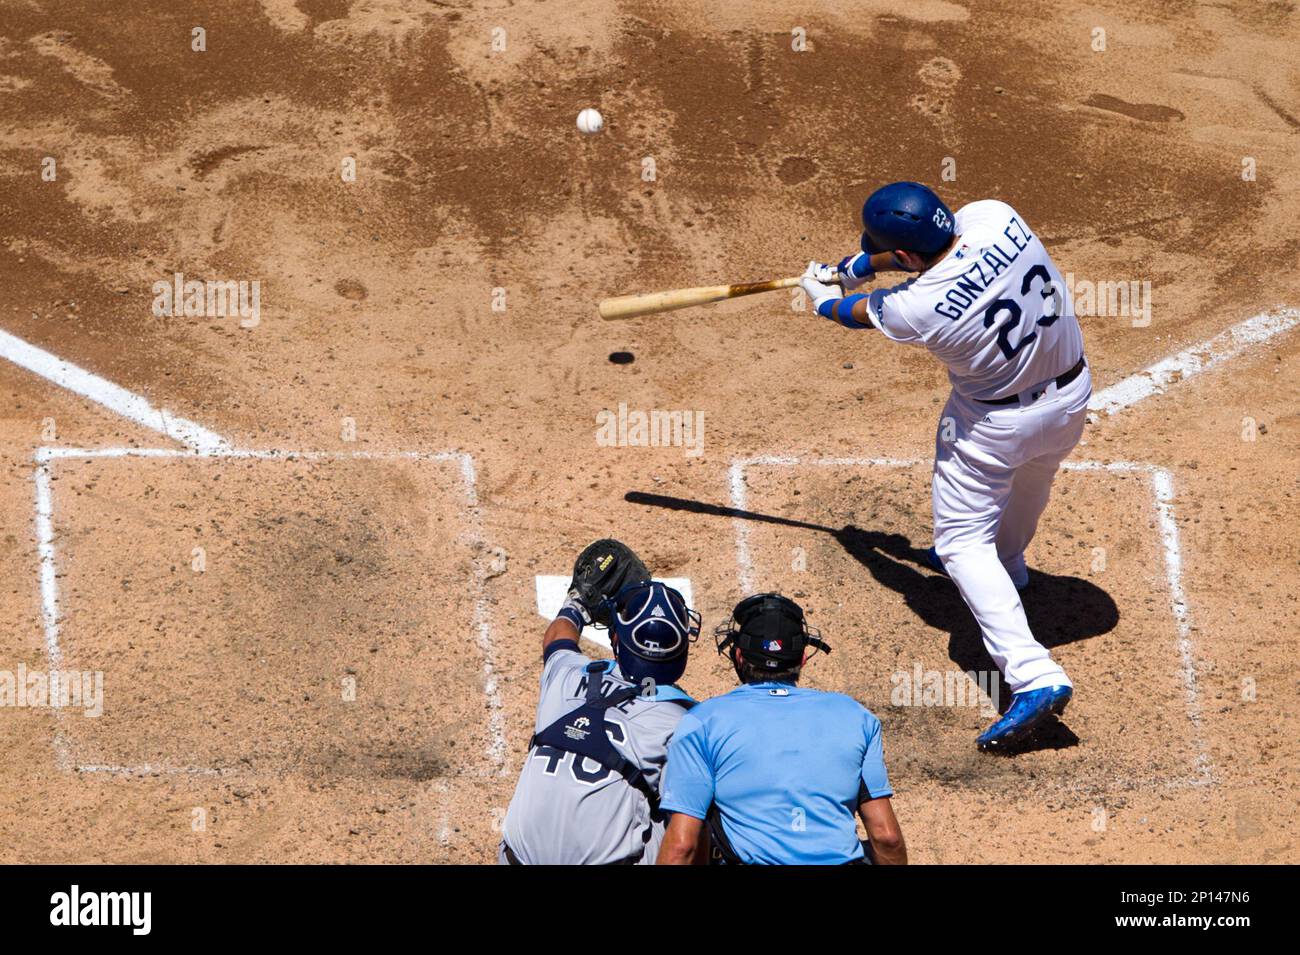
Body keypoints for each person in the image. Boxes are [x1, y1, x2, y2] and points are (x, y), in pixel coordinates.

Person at [799, 181, 1089, 750]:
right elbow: (924, 255)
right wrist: (860, 261)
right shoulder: (994, 214)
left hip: (996, 426)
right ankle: (1011, 564)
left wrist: (821, 295)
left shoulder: (915, 308)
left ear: (904, 258)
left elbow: (852, 312)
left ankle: (1034, 677)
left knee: (959, 544)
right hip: (1071, 395)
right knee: (1036, 475)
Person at [657, 593, 906, 865]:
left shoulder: (701, 722)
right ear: (802, 659)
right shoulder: (856, 717)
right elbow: (886, 837)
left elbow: (682, 847)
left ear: (739, 656)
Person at [499, 539, 700, 864]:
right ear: (681, 652)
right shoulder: (687, 723)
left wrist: (576, 602)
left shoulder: (567, 675)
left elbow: (557, 638)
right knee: (693, 810)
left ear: (616, 639)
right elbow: (683, 847)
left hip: (515, 859)